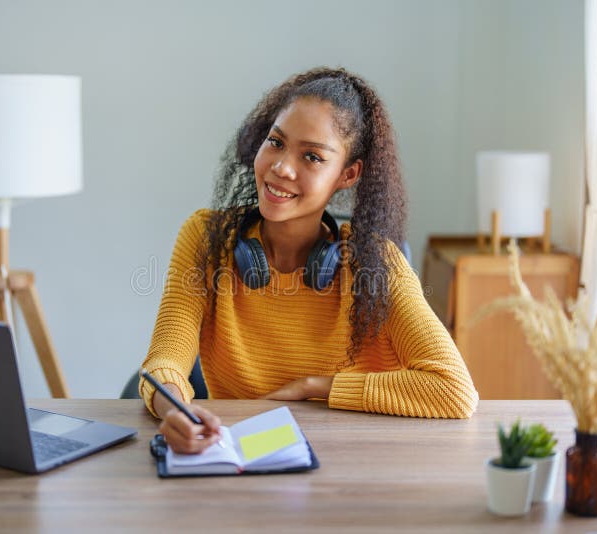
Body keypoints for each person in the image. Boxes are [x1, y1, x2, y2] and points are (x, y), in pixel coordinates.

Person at [139, 66, 478, 453]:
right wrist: (173, 410)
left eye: (313, 157)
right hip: (242, 460)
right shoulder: (206, 238)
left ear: (348, 174)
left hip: (347, 466)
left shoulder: (377, 262)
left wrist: (311, 386)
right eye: (276, 142)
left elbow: (453, 388)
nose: (281, 167)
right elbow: (163, 363)